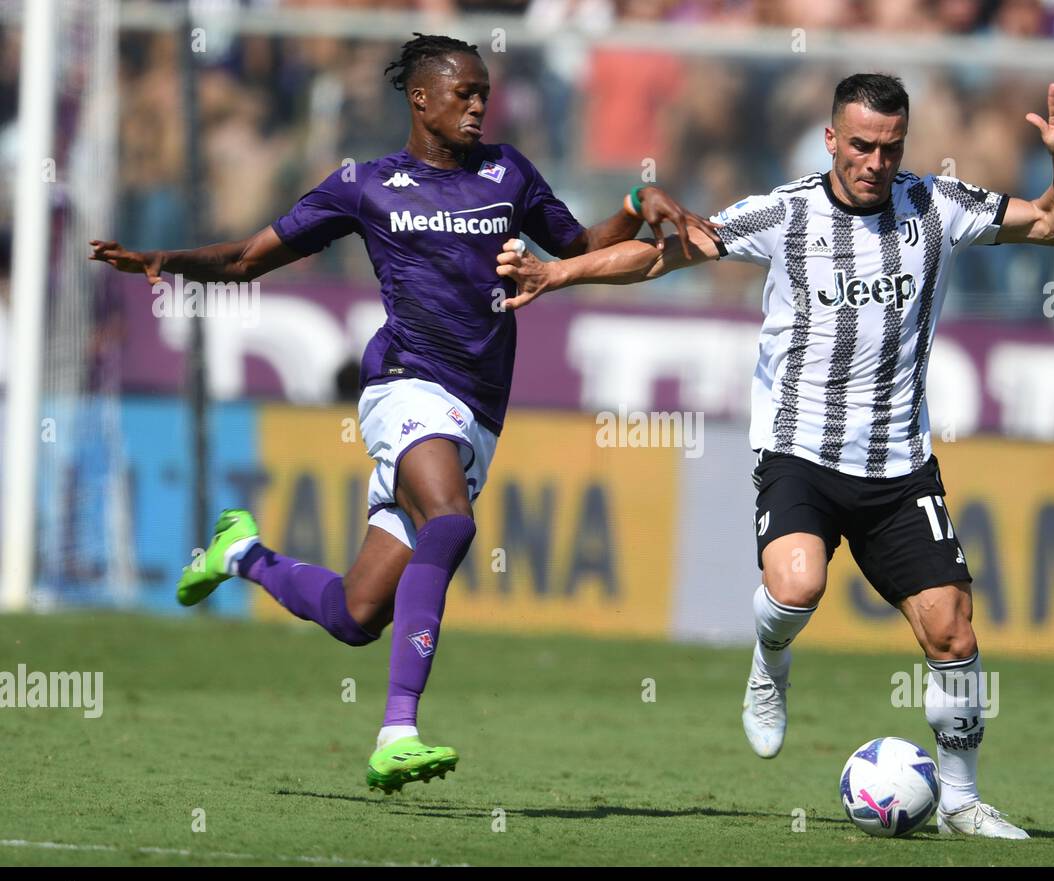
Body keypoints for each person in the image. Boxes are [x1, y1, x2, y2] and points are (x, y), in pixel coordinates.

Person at [90, 33, 716, 794]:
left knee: (358, 616)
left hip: (480, 409)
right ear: (420, 99)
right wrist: (167, 260)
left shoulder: (508, 173)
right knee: (450, 520)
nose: (481, 103)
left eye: (485, 91)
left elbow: (575, 248)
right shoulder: (367, 185)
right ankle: (398, 730)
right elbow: (252, 257)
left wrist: (632, 205)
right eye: (466, 92)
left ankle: (242, 554)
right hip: (406, 386)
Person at [496, 73, 1054, 839]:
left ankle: (962, 801)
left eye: (890, 148)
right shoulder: (785, 212)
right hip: (800, 451)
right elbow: (661, 256)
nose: (875, 163)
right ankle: (769, 663)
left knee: (953, 634)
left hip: (898, 464)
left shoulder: (936, 205)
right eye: (861, 146)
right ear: (831, 141)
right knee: (798, 584)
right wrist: (555, 273)